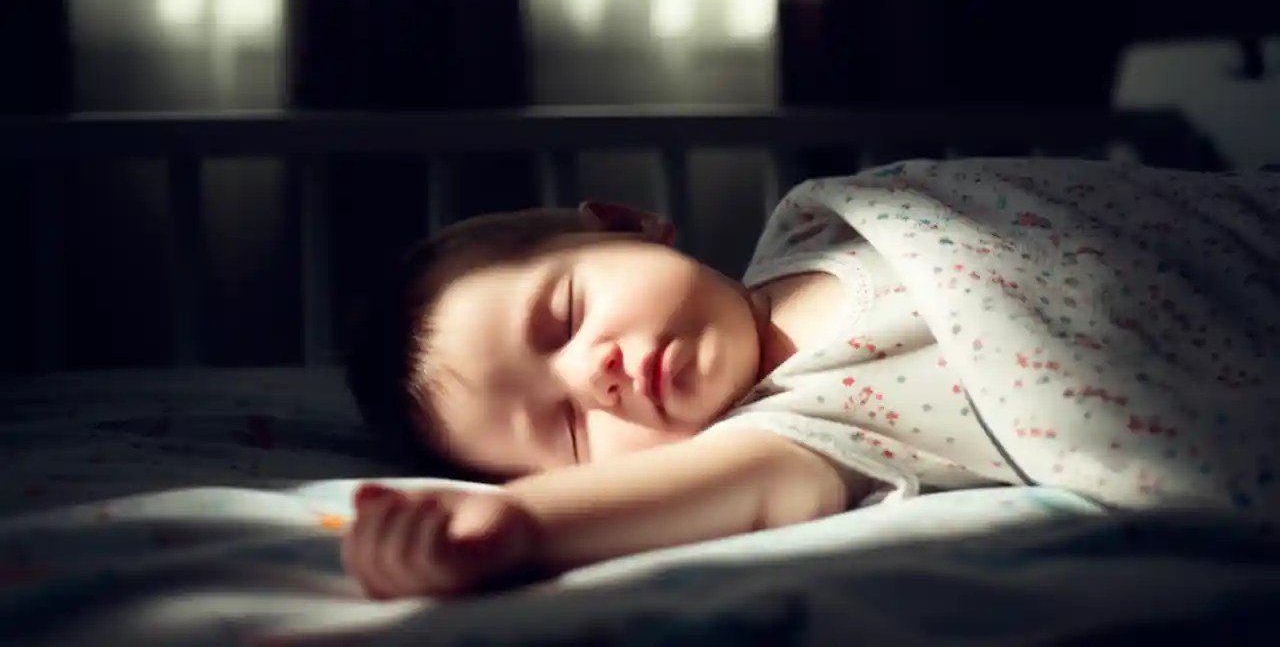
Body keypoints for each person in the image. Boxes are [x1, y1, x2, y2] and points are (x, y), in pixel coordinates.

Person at [341, 158, 1280, 599]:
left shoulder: (838, 212)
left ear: (627, 224)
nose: (603, 375)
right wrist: (513, 528)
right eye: (572, 431)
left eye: (568, 315)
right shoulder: (803, 425)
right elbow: (708, 495)